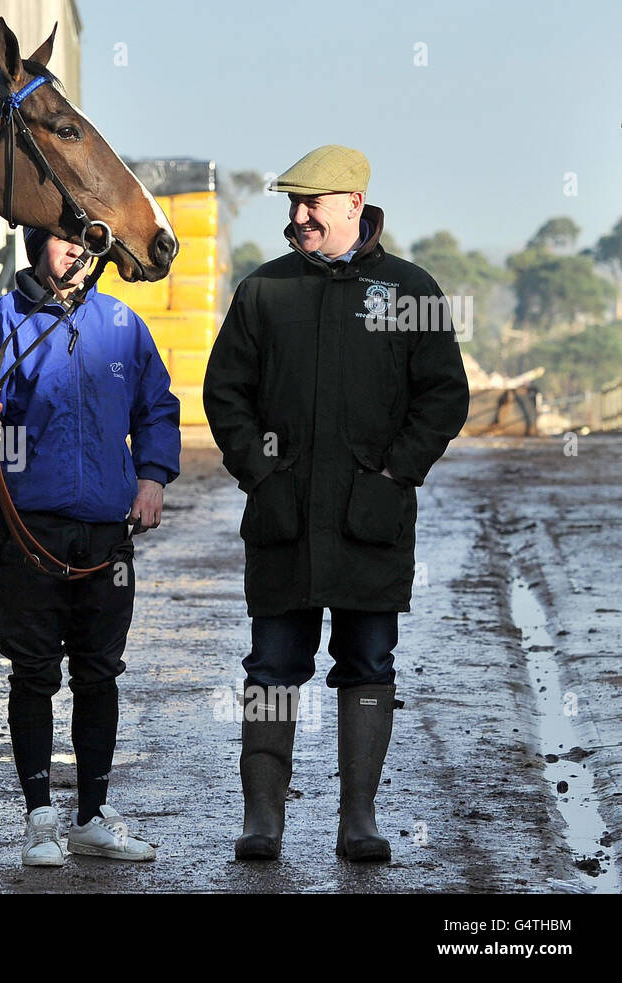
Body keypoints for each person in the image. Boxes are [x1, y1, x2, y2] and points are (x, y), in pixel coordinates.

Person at [203, 145, 470, 862]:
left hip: (370, 520)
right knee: (270, 668)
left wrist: (396, 469)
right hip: (283, 518)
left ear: (354, 203)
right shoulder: (264, 291)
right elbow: (223, 390)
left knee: (369, 664)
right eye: (292, 203)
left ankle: (359, 819)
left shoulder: (410, 291)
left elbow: (444, 393)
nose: (298, 216)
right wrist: (260, 470)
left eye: (312, 203)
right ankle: (263, 821)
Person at [0, 228, 181, 866]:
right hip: (28, 527)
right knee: (35, 672)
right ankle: (40, 820)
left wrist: (152, 478)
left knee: (100, 673)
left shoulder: (123, 323)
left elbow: (157, 407)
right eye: (61, 240)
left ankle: (93, 817)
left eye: (84, 242)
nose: (75, 252)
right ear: (36, 248)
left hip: (107, 530)